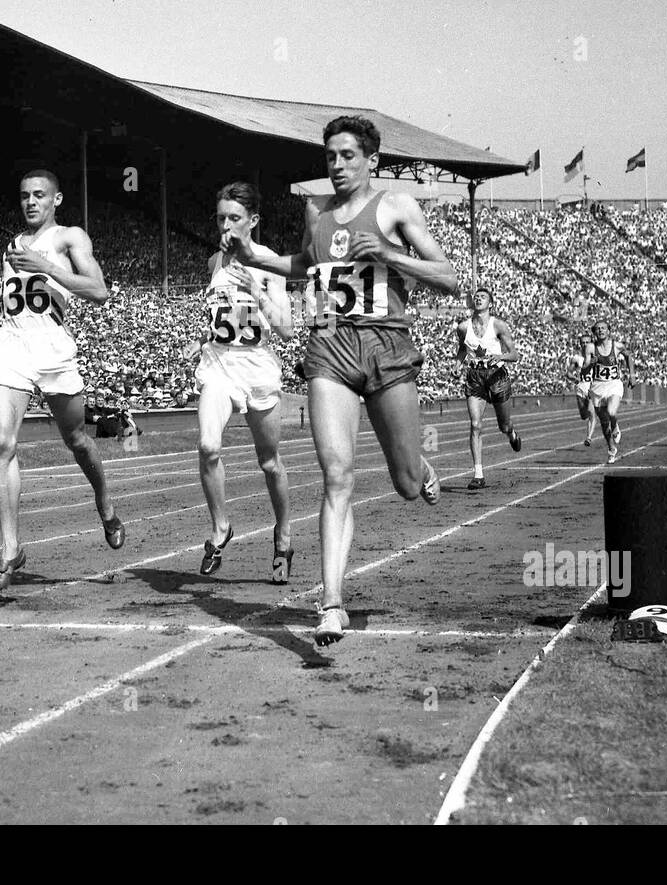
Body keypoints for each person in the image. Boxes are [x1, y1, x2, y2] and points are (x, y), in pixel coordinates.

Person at [226, 115, 459, 648]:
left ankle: (416, 463)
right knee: (336, 476)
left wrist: (389, 254)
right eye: (330, 156)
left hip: (387, 350)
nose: (337, 165)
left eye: (348, 156)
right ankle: (331, 604)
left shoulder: (396, 207)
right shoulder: (317, 214)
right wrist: (252, 254)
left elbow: (448, 277)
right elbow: (305, 265)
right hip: (328, 348)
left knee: (403, 484)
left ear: (371, 160)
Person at [0, 169, 124, 591]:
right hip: (12, 346)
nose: (30, 202)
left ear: (56, 199)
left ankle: (104, 503)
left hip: (52, 349)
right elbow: (27, 295)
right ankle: (11, 547)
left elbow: (99, 290)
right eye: (24, 196)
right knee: (3, 442)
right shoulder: (12, 247)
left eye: (39, 195)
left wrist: (43, 265)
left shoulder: (71, 238)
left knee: (77, 440)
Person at [194, 181, 294, 582]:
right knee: (207, 445)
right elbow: (224, 322)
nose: (226, 226)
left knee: (269, 463)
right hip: (219, 365)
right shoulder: (213, 264)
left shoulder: (271, 262)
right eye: (221, 218)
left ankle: (284, 535)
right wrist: (199, 339)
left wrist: (258, 290)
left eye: (234, 218)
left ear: (252, 221)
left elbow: (286, 328)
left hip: (258, 368)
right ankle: (221, 527)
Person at [454, 286, 521, 490]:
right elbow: (462, 349)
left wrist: (499, 357)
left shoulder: (498, 325)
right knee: (475, 425)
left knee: (504, 425)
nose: (478, 298)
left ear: (490, 303)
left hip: (497, 376)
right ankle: (478, 475)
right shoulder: (463, 327)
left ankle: (511, 434)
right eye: (476, 296)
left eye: (483, 297)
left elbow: (515, 355)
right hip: (475, 377)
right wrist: (457, 366)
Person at [582, 320, 634, 464]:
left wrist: (633, 375)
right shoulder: (590, 348)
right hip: (598, 386)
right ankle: (611, 449)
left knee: (611, 412)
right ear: (594, 332)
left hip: (614, 384)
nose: (600, 331)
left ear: (609, 331)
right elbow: (584, 369)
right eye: (597, 329)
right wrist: (590, 363)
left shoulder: (617, 346)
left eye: (603, 328)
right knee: (604, 423)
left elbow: (629, 356)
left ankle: (615, 425)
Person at [567, 331, 596, 446]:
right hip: (580, 389)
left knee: (591, 412)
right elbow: (568, 373)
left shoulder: (596, 358)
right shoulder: (576, 358)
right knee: (584, 415)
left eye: (587, 342)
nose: (585, 345)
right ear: (580, 344)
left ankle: (589, 437)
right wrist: (575, 379)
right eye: (583, 343)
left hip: (592, 389)